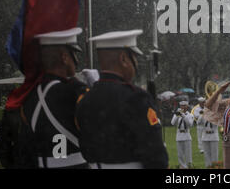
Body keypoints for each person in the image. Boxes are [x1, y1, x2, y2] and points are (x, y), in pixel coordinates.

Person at [75, 30, 168, 169]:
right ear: (124, 59)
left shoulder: (85, 99)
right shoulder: (136, 97)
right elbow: (155, 156)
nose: (135, 63)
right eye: (134, 58)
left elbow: (85, 148)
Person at [20, 28, 88, 169]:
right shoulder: (75, 91)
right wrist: (96, 90)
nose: (76, 59)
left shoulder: (28, 95)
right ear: (64, 57)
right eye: (74, 53)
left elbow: (27, 143)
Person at [171, 101, 194, 168]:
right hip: (179, 136)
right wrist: (177, 115)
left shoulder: (190, 115)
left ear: (187, 106)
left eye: (184, 105)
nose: (183, 107)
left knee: (188, 154)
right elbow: (172, 123)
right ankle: (182, 166)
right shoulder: (177, 114)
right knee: (180, 154)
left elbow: (190, 124)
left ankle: (189, 166)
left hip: (186, 135)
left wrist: (183, 116)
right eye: (181, 106)